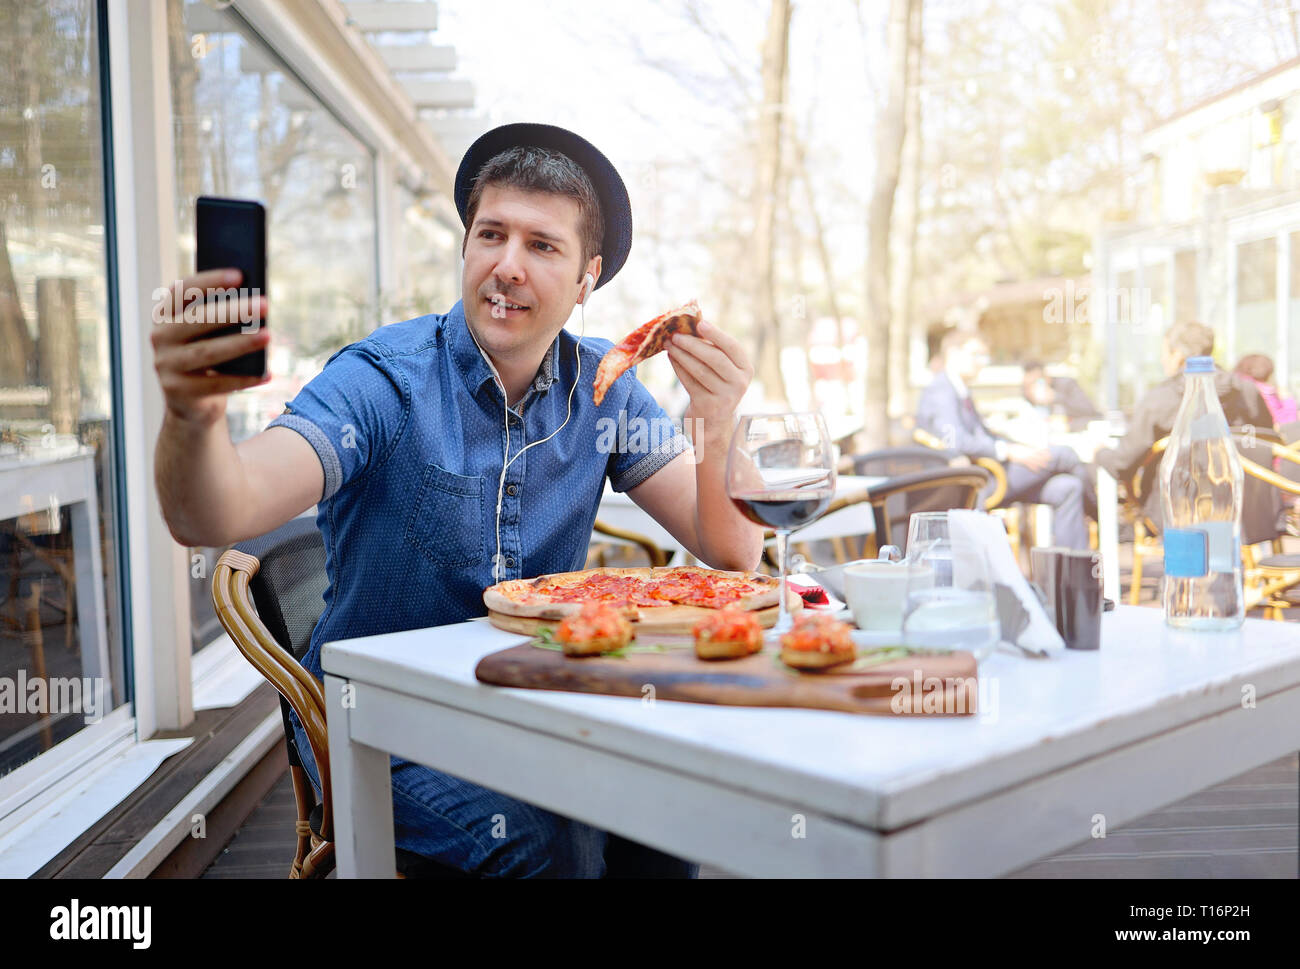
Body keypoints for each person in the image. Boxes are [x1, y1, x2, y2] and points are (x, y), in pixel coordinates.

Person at [150, 123, 762, 877]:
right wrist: (192, 414)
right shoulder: (385, 379)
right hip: (384, 728)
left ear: (587, 279)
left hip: (537, 707)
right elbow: (215, 512)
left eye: (542, 245)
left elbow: (732, 550)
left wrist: (717, 421)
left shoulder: (606, 387)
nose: (507, 265)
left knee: (665, 806)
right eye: (491, 234)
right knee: (551, 836)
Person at [915, 331, 1096, 549]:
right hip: (982, 479)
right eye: (976, 355)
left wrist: (1017, 447)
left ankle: (1070, 568)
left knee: (1068, 488)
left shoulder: (959, 390)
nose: (982, 362)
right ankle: (1101, 517)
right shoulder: (941, 391)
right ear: (953, 353)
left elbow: (983, 434)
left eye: (984, 356)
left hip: (992, 472)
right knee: (1065, 454)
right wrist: (1006, 450)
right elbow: (957, 441)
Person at [1096, 321, 1277, 530]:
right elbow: (1269, 441)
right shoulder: (1247, 390)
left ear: (1178, 355)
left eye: (1165, 352)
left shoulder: (1160, 399)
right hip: (1246, 509)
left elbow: (1123, 464)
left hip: (1178, 513)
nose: (1162, 359)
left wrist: (1100, 453)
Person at [1021, 359, 1101, 426]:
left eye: (1036, 382)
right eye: (1028, 385)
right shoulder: (1028, 392)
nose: (1033, 387)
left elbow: (1088, 410)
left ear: (1045, 377)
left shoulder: (1066, 384)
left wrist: (1056, 397)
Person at [1234, 353, 1298, 429]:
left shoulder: (1235, 385)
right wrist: (1288, 400)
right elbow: (1286, 422)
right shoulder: (1266, 391)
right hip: (1264, 433)